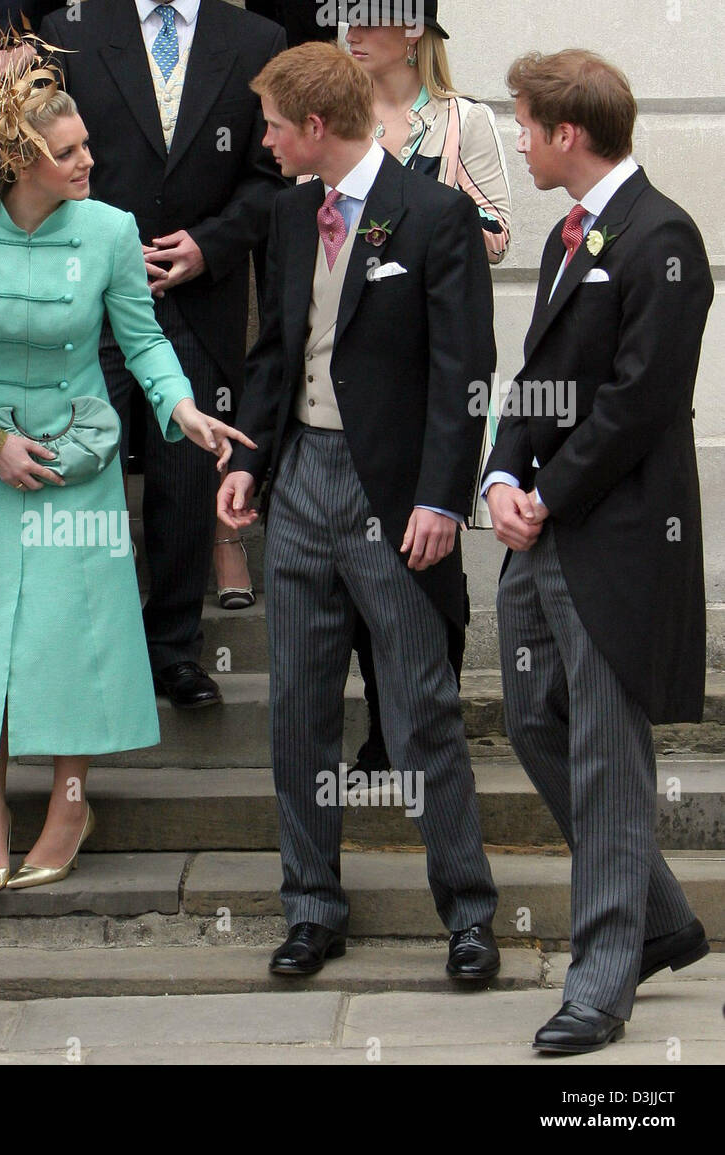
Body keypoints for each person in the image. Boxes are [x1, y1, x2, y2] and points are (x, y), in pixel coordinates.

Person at [0, 43, 252, 893]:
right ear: (20, 159)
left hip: (80, 458)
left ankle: (69, 804)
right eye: (68, 151)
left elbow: (143, 341)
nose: (88, 162)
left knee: (74, 629)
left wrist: (182, 408)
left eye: (85, 146)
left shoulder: (109, 230)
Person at [220, 42, 499, 981]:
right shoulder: (288, 212)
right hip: (301, 479)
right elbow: (275, 350)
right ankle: (311, 909)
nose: (263, 142)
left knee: (422, 713)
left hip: (395, 494)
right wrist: (249, 463)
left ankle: (469, 914)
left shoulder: (436, 214)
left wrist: (442, 498)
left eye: (272, 126)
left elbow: (464, 371)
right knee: (296, 710)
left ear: (314, 126)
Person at [484, 50, 712, 1054]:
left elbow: (639, 400)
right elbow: (538, 375)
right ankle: (658, 917)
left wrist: (546, 493)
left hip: (615, 541)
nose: (519, 142)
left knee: (608, 759)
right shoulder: (573, 232)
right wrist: (501, 473)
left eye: (525, 126)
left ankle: (601, 984)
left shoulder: (664, 237)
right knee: (535, 718)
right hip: (543, 532)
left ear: (566, 133)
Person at [41, 0, 286, 701]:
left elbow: (270, 176)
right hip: (90, 297)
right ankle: (91, 646)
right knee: (84, 473)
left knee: (184, 482)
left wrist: (210, 244)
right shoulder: (71, 30)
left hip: (199, 300)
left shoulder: (256, 38)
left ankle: (174, 650)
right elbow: (44, 161)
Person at [341, 0, 513, 776]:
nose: (350, 32)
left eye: (367, 18)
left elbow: (499, 236)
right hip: (357, 361)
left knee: (429, 550)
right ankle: (384, 731)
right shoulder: (339, 116)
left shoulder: (460, 120)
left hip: (437, 362)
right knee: (361, 553)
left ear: (412, 28)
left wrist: (428, 212)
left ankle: (432, 726)